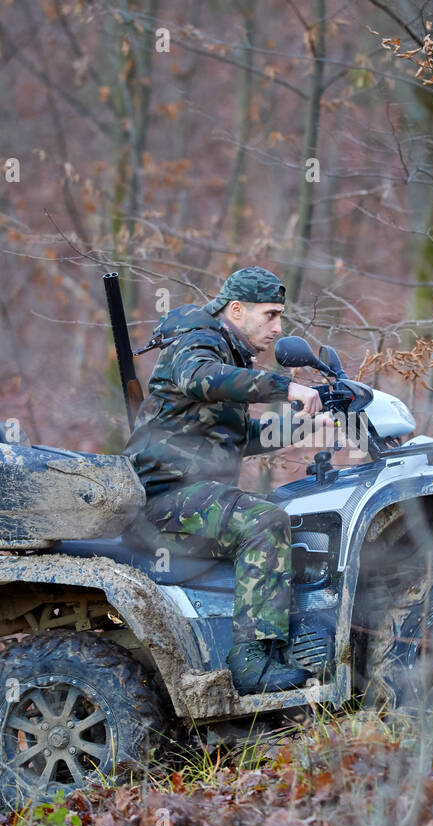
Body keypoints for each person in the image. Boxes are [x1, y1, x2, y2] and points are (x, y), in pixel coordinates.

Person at [122, 267, 326, 694]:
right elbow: (198, 377)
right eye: (270, 315)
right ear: (236, 310)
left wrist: (307, 426)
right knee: (263, 521)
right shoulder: (199, 340)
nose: (278, 328)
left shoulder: (228, 356)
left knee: (287, 512)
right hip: (162, 501)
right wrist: (284, 387)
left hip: (189, 497)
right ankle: (250, 661)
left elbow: (236, 440)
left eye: (280, 317)